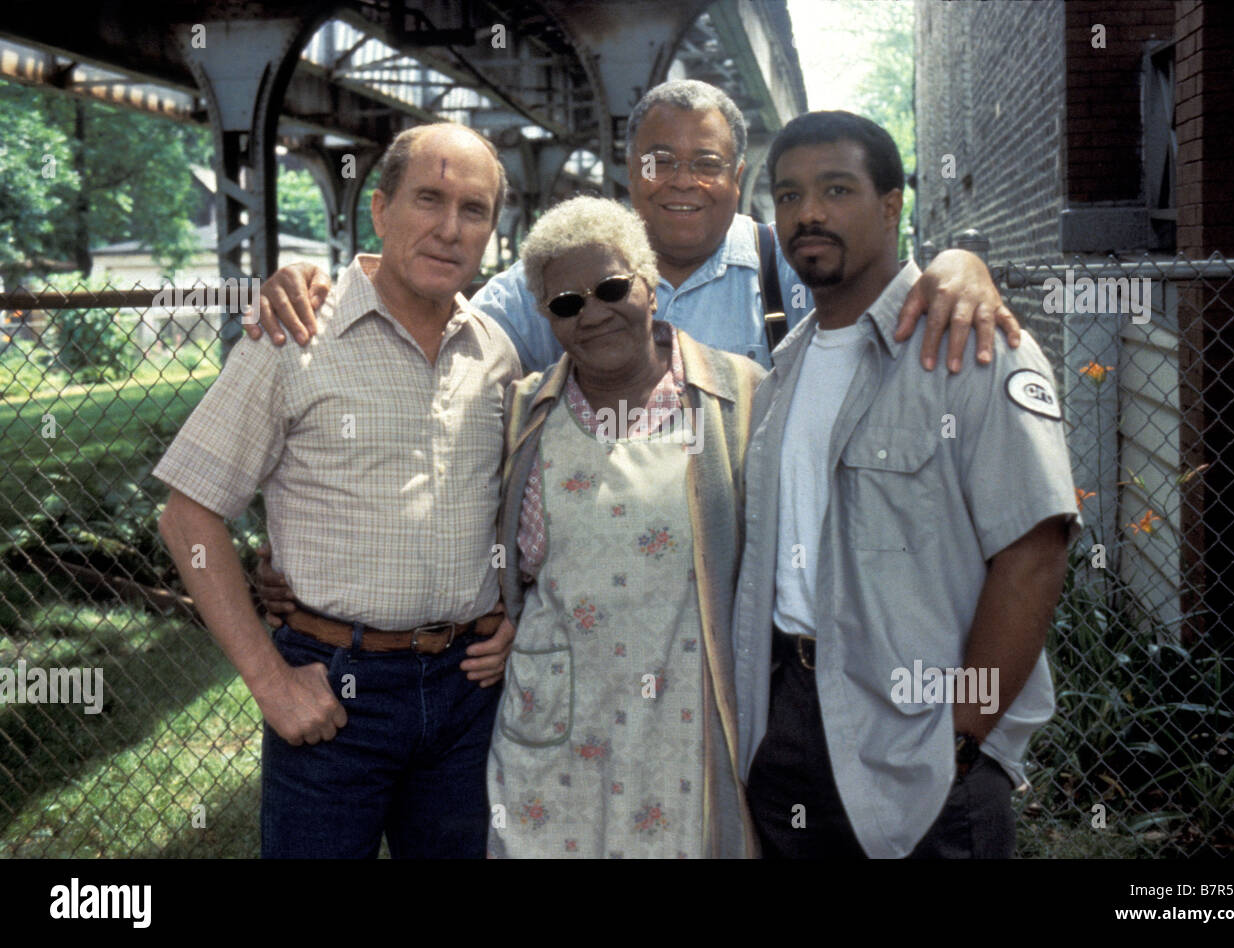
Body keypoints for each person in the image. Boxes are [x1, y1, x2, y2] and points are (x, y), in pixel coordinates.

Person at [154, 122, 520, 859]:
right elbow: (188, 516)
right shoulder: (293, 337)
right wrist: (271, 684)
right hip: (335, 690)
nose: (451, 229)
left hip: (468, 694)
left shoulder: (495, 352)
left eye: (474, 210)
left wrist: (515, 609)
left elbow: (517, 512)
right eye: (429, 199)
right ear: (379, 210)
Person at [731, 111, 1081, 859]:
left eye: (836, 189)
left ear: (892, 205)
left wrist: (962, 739)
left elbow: (1035, 551)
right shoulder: (782, 374)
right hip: (789, 727)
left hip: (921, 739)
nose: (809, 213)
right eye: (788, 196)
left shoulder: (971, 349)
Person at [246, 80, 1019, 377]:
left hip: (748, 603)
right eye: (659, 161)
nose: (682, 181)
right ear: (628, 175)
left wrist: (957, 262)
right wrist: (339, 279)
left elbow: (889, 286)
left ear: (738, 180)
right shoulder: (555, 279)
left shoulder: (797, 265)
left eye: (706, 162)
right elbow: (441, 331)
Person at [487, 195, 763, 858]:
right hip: (553, 734)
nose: (594, 313)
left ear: (649, 285)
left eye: (611, 288)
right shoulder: (522, 415)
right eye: (566, 303)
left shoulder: (739, 399)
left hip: (686, 729)